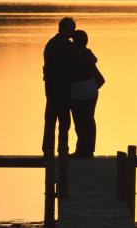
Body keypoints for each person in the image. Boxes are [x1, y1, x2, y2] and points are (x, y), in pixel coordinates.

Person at [42, 16, 76, 157]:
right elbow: (73, 63)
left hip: (52, 88)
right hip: (61, 88)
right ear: (66, 29)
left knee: (51, 120)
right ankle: (62, 150)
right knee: (63, 121)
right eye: (72, 29)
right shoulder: (66, 46)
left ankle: (48, 150)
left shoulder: (51, 43)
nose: (73, 32)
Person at [69, 29, 105, 158]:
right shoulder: (88, 53)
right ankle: (88, 150)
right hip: (91, 89)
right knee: (89, 120)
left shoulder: (73, 55)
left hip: (79, 91)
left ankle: (81, 150)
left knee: (79, 122)